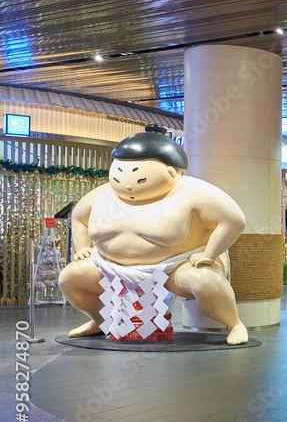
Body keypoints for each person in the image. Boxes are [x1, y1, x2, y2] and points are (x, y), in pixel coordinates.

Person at [58, 125, 249, 344]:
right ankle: (101, 321)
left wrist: (210, 254)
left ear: (172, 172)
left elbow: (233, 220)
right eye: (119, 176)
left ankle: (234, 323)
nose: (127, 185)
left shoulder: (195, 192)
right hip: (110, 265)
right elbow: (79, 217)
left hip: (176, 265)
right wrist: (82, 248)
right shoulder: (102, 194)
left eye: (140, 179)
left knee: (203, 280)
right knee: (71, 278)